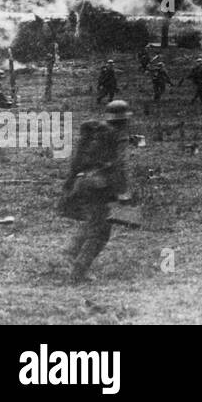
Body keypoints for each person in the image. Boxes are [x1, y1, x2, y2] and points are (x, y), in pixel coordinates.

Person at [60, 100, 132, 283]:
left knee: (93, 220)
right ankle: (79, 271)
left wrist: (70, 181)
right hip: (100, 185)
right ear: (124, 119)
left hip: (82, 181)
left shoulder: (94, 133)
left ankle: (70, 251)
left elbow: (76, 159)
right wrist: (123, 193)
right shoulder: (118, 136)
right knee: (100, 231)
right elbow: (120, 165)